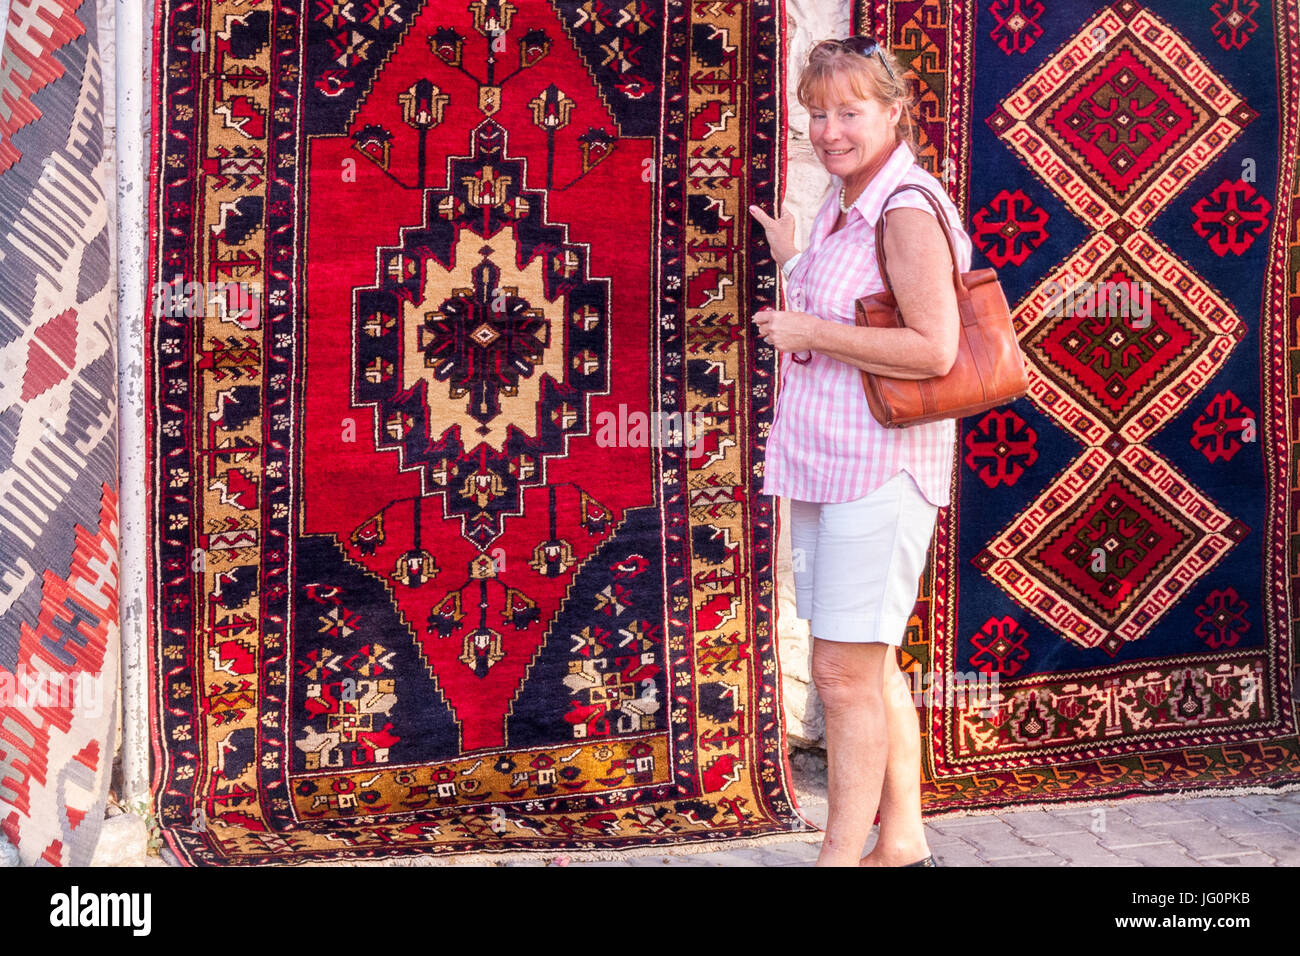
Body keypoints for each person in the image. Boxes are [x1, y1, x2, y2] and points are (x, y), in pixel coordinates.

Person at [749, 37, 972, 867]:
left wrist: (807, 329)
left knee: (843, 676)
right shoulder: (854, 203)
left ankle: (839, 859)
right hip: (833, 463)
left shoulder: (904, 206)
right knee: (870, 668)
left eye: (849, 110)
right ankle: (902, 844)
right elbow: (865, 308)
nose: (829, 128)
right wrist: (796, 262)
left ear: (892, 110)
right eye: (816, 111)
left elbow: (936, 350)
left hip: (879, 472)